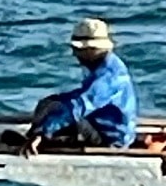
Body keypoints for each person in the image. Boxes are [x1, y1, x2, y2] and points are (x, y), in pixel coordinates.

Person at [21, 18, 140, 157]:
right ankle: (36, 135)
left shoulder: (107, 78)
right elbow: (80, 98)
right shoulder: (106, 66)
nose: (74, 54)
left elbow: (77, 108)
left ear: (91, 49)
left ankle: (40, 139)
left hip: (111, 140)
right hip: (100, 125)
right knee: (53, 103)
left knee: (67, 116)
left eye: (78, 50)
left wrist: (44, 131)